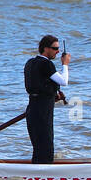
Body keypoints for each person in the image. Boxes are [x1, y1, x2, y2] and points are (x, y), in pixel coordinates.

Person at [24, 34, 69, 163]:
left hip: (32, 109)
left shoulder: (30, 63)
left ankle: (35, 173)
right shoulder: (46, 63)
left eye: (58, 48)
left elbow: (37, 85)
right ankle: (43, 176)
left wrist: (54, 93)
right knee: (46, 147)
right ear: (45, 48)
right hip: (42, 110)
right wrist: (65, 64)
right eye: (55, 48)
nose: (58, 51)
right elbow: (64, 81)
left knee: (39, 147)